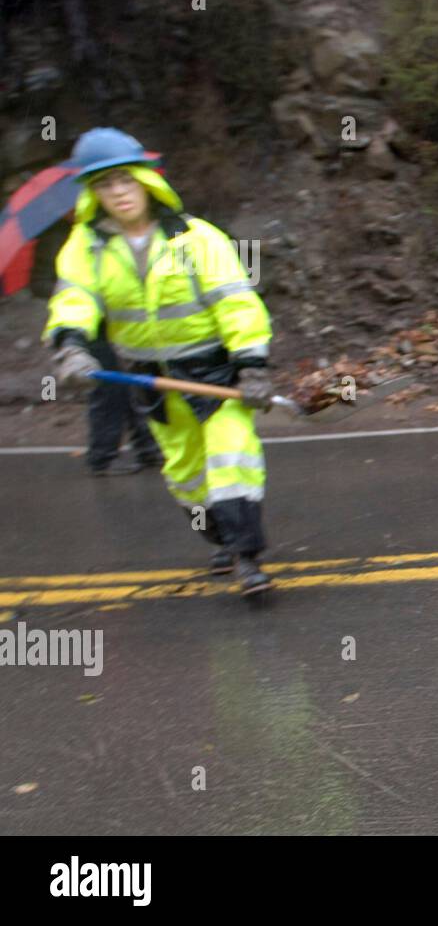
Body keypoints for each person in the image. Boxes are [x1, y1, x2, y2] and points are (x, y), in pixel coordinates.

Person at [42, 128, 276, 595]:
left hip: (213, 372)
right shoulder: (87, 248)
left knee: (232, 458)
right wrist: (71, 346)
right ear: (94, 193)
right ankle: (220, 539)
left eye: (126, 181)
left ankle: (247, 557)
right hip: (151, 382)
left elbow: (236, 303)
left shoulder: (196, 238)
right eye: (106, 185)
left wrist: (251, 363)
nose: (119, 192)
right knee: (186, 478)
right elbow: (75, 299)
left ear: (146, 182)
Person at [85, 332, 163, 476]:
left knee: (131, 385)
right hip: (94, 329)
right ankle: (103, 458)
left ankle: (148, 448)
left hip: (118, 329)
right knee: (109, 390)